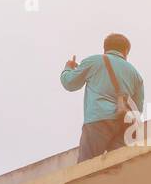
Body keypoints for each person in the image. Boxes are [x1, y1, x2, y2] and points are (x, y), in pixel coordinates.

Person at [61, 33, 144, 164]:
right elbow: (138, 108)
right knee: (116, 166)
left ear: (104, 48)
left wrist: (68, 68)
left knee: (86, 168)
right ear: (126, 51)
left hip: (97, 120)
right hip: (124, 124)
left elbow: (70, 83)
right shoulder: (135, 74)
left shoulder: (93, 61)